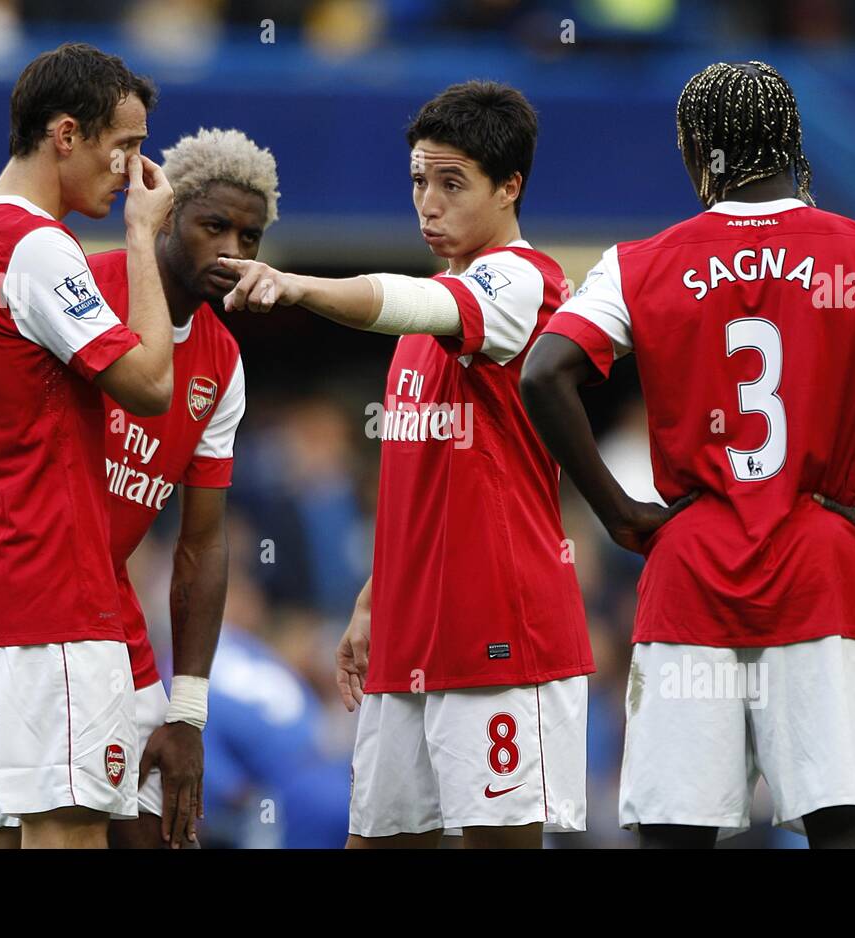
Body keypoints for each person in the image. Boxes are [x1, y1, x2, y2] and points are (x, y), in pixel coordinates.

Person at [519, 61, 855, 848]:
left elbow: (545, 372)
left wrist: (615, 511)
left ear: (703, 149)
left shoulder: (639, 263)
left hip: (689, 571)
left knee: (676, 837)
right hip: (822, 569)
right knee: (845, 832)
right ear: (790, 144)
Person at [222, 81, 593, 848]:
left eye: (452, 183)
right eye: (420, 181)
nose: (428, 202)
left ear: (509, 186)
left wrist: (297, 286)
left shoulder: (525, 282)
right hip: (410, 636)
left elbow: (402, 301)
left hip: (500, 631)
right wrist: (372, 597)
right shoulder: (424, 327)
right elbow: (419, 486)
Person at [0, 128, 278, 849]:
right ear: (166, 215)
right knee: (40, 831)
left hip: (104, 617)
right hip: (38, 602)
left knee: (157, 829)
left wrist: (190, 709)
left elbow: (202, 541)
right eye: (214, 225)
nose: (233, 250)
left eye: (251, 235)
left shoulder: (223, 362)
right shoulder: (78, 286)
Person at [0, 42, 175, 849]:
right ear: (66, 134)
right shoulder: (37, 247)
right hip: (52, 605)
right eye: (122, 146)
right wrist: (141, 241)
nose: (131, 171)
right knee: (68, 837)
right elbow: (152, 387)